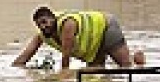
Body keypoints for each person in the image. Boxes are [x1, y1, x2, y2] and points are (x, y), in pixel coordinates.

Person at [12, 6, 145, 70]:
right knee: (97, 72)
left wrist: (62, 78)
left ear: (54, 19)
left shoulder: (67, 25)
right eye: (39, 24)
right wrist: (13, 71)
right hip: (93, 45)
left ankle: (139, 60)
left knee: (126, 66)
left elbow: (66, 59)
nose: (43, 27)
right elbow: (24, 57)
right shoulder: (41, 35)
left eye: (45, 22)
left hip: (106, 27)